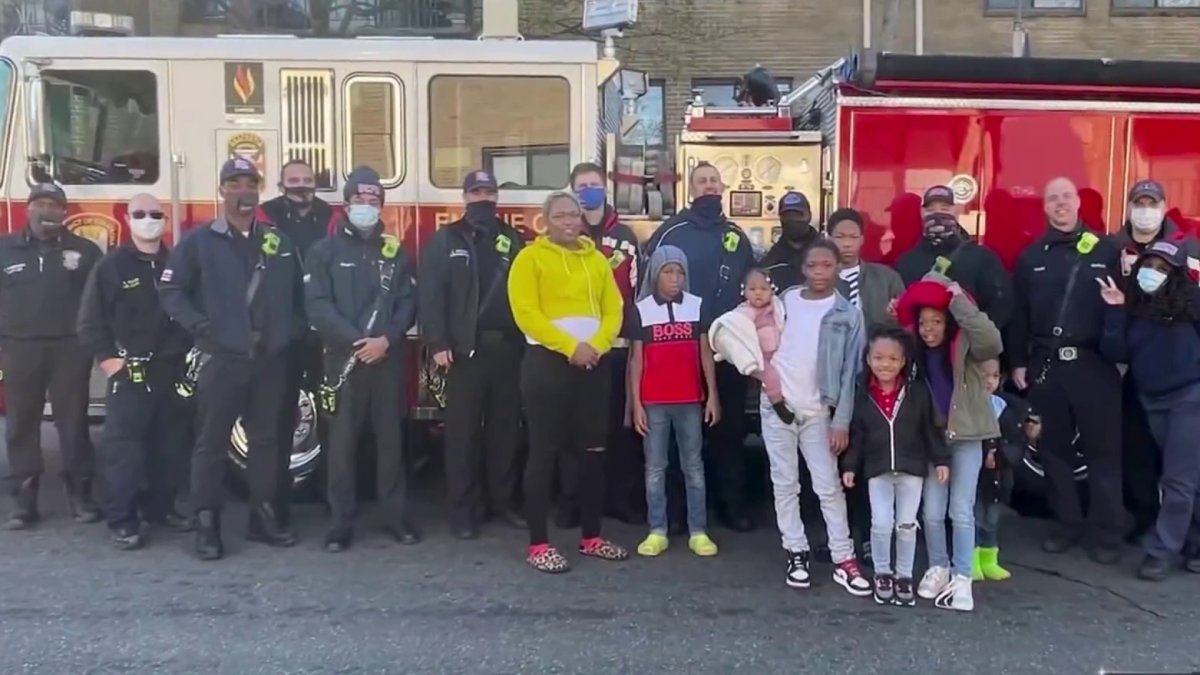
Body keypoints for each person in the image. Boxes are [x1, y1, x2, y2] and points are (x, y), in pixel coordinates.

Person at [159, 157, 306, 560]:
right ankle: (207, 524)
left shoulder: (278, 241)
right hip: (222, 358)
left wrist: (283, 335)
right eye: (235, 183)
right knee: (210, 443)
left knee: (265, 441)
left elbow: (297, 295)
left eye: (250, 183)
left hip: (268, 361)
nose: (244, 191)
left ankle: (263, 518)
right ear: (222, 190)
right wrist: (203, 328)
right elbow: (171, 293)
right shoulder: (199, 241)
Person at [508, 191, 629, 573]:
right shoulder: (529, 258)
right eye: (560, 216)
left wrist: (596, 345)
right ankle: (538, 544)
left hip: (593, 364)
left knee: (593, 452)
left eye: (574, 215)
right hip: (548, 364)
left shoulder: (596, 259)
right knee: (544, 453)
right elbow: (526, 313)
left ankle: (592, 537)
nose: (569, 221)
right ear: (546, 221)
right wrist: (569, 347)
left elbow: (615, 308)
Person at [1009, 176, 1125, 564]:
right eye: (1053, 198)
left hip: (1096, 365)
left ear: (1078, 203)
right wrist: (1019, 363)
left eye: (1066, 197)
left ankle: (1106, 533)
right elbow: (1019, 315)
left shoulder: (1109, 250)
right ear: (1045, 207)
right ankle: (1067, 525)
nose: (1060, 204)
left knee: (1103, 453)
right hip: (1048, 365)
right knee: (1054, 452)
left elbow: (1125, 306)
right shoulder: (1031, 257)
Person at [306, 167, 418, 552]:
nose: (367, 207)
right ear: (346, 204)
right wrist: (358, 342)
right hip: (344, 363)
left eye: (374, 202)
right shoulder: (323, 252)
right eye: (360, 201)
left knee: (391, 443)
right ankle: (340, 523)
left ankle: (396, 517)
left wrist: (386, 340)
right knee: (342, 445)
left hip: (386, 360)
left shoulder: (394, 251)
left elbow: (407, 303)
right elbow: (317, 306)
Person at [644, 162, 756, 532]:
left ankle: (732, 506)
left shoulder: (736, 235)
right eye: (701, 182)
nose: (708, 187)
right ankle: (679, 513)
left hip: (724, 348)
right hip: (678, 346)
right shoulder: (672, 231)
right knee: (680, 434)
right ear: (690, 190)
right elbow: (649, 279)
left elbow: (751, 287)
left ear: (722, 187)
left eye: (713, 181)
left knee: (728, 429)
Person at [77, 193, 193, 549]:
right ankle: (123, 520)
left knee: (171, 447)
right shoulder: (110, 267)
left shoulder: (178, 263)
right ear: (128, 219)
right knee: (124, 451)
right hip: (131, 373)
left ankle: (160, 509)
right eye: (140, 213)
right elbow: (90, 322)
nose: (148, 219)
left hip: (172, 370)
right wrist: (110, 362)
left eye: (155, 213)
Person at [759, 239, 870, 595]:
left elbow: (853, 374)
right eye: (812, 266)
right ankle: (796, 550)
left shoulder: (848, 315)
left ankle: (843, 557)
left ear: (838, 268)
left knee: (827, 485)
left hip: (819, 411)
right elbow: (751, 332)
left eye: (826, 265)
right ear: (802, 269)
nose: (819, 273)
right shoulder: (784, 301)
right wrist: (763, 375)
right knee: (785, 482)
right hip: (778, 406)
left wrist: (841, 422)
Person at [419, 169, 526, 539]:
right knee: (462, 436)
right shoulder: (445, 240)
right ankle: (463, 511)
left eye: (489, 191)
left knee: (505, 434)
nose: (483, 198)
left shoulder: (513, 239)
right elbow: (430, 295)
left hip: (508, 351)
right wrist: (438, 342)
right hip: (464, 351)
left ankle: (503, 502)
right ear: (465, 197)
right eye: (476, 191)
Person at [895, 271, 1002, 612]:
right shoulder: (914, 351)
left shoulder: (965, 345)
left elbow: (992, 341)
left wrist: (959, 302)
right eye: (924, 322)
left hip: (967, 436)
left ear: (949, 321)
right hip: (933, 440)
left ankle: (962, 577)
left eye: (937, 322)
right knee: (932, 511)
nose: (929, 329)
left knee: (961, 509)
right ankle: (938, 567)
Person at [0, 183, 102, 528]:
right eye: (40, 204)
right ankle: (24, 501)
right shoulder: (4, 250)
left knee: (73, 422)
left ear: (64, 212)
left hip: (69, 348)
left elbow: (100, 301)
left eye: (54, 205)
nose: (47, 211)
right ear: (28, 209)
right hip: (19, 348)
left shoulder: (85, 251)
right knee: (20, 424)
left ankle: (80, 495)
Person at [1098, 241, 1200, 580]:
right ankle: (1194, 542)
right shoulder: (1134, 307)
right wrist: (1115, 309)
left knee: (1177, 479)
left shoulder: (1193, 302)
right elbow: (1116, 351)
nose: (1151, 273)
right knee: (1187, 478)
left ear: (1175, 273)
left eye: (1161, 268)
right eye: (1147, 265)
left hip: (1189, 397)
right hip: (1152, 400)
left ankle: (1162, 550)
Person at [1110, 179, 1200, 543]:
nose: (1145, 209)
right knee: (1137, 451)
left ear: (1163, 206)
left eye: (1152, 202)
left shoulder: (1189, 248)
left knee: (1183, 466)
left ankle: (1184, 539)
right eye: (1139, 202)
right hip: (1134, 370)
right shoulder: (1113, 248)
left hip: (1183, 374)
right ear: (1129, 207)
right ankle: (1146, 518)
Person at [557, 162, 643, 528]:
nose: (588, 191)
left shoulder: (626, 235)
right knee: (572, 428)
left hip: (616, 346)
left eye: (594, 185)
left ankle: (617, 500)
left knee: (616, 430)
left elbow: (638, 290)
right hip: (572, 349)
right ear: (571, 190)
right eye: (581, 186)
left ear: (605, 188)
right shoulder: (563, 239)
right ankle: (573, 501)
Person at [840, 326, 948, 607]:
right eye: (878, 358)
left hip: (912, 470)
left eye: (891, 359)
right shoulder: (864, 394)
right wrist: (850, 466)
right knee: (881, 524)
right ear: (868, 360)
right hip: (877, 470)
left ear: (903, 362)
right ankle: (882, 573)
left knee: (906, 525)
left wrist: (941, 460)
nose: (884, 364)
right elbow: (858, 435)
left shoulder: (917, 393)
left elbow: (929, 430)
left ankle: (903, 575)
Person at [258, 159, 338, 529]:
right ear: (280, 183)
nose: (301, 186)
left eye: (307, 180)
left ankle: (332, 497)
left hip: (325, 334)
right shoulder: (264, 218)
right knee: (276, 420)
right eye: (293, 180)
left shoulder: (333, 218)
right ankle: (274, 504)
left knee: (333, 417)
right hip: (282, 336)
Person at [629, 245, 720, 558]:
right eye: (668, 271)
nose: (675, 278)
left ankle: (699, 531)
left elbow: (705, 353)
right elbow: (636, 360)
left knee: (693, 466)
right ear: (655, 274)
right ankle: (657, 530)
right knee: (655, 467)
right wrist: (635, 404)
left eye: (680, 272)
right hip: (654, 401)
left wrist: (713, 397)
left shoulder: (696, 306)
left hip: (690, 399)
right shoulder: (642, 309)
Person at [895, 189, 1012, 329]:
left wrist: (974, 341)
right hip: (919, 348)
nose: (938, 215)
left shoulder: (982, 258)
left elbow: (1001, 307)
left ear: (956, 211)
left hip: (967, 348)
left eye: (945, 209)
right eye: (931, 210)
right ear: (921, 213)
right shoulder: (906, 262)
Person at [972, 358, 1028, 582]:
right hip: (974, 477)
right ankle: (971, 560)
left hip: (997, 476)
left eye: (994, 376)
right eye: (984, 375)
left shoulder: (1003, 409)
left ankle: (989, 560)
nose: (989, 381)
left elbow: (1016, 441)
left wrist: (1001, 456)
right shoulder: (966, 406)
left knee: (991, 520)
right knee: (972, 519)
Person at [828, 208, 905, 329]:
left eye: (853, 237)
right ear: (829, 239)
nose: (847, 243)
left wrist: (896, 317)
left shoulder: (887, 279)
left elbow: (905, 323)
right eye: (840, 237)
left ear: (862, 239)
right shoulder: (820, 280)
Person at [762, 191, 820, 292]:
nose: (793, 220)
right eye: (788, 216)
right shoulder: (771, 263)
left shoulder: (826, 256)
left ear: (809, 216)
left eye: (798, 215)